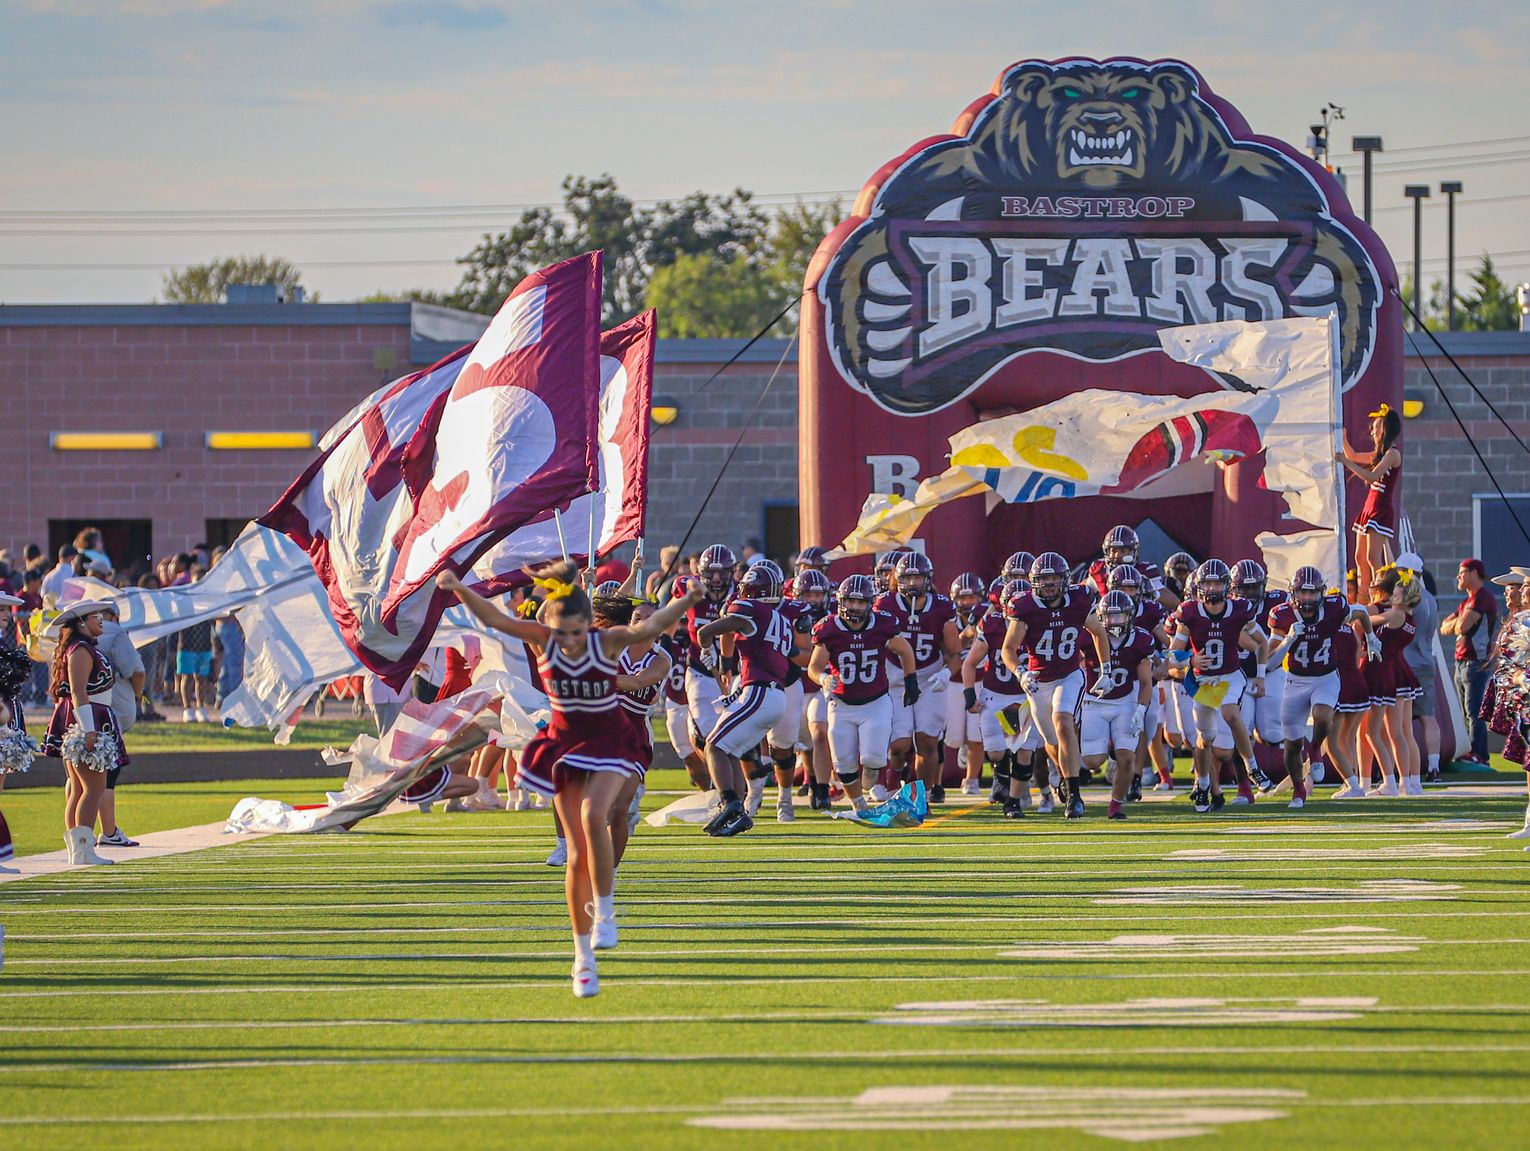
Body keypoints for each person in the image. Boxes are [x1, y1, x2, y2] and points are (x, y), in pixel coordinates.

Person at [437, 560, 700, 998]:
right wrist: (457, 588)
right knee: (576, 852)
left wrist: (686, 601)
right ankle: (582, 958)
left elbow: (649, 627)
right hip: (565, 745)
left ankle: (607, 913)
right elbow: (495, 619)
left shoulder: (605, 642)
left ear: (589, 626)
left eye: (578, 632)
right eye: (563, 634)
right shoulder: (544, 640)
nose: (571, 641)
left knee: (598, 814)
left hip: (611, 740)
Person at [1001, 552, 1110, 819]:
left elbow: (1098, 632)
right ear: (1034, 581)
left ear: (1065, 580)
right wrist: (1020, 673)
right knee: (1051, 741)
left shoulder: (1079, 600)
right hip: (1038, 682)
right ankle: (1064, 776)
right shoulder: (1025, 606)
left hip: (1069, 675)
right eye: (1044, 579)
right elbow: (1008, 649)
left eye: (1054, 578)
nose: (1049, 584)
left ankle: (1074, 796)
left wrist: (1106, 670)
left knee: (1063, 722)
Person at [808, 575, 918, 817]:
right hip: (841, 704)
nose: (855, 607)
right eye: (850, 601)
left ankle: (870, 774)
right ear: (840, 601)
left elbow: (904, 649)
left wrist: (911, 680)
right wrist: (823, 678)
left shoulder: (881, 624)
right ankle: (858, 805)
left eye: (860, 602)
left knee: (874, 758)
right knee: (843, 763)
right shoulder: (829, 628)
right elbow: (813, 667)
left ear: (870, 603)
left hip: (875, 701)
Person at [696, 562, 793, 835]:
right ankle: (737, 813)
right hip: (775, 694)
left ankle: (729, 803)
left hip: (758, 691)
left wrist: (707, 651)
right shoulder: (781, 619)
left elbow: (706, 632)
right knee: (731, 751)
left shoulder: (752, 609)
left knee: (713, 746)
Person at [1267, 567, 1376, 805]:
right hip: (1295, 680)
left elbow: (1360, 612)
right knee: (1293, 744)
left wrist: (1371, 636)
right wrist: (1287, 640)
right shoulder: (1282, 615)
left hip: (1326, 676)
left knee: (1323, 715)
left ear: (1321, 592)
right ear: (1293, 592)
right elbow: (1268, 662)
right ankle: (1299, 790)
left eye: (1313, 593)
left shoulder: (1333, 608)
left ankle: (1315, 749)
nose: (1307, 598)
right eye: (1303, 592)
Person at [1167, 559, 1267, 813]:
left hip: (1231, 675)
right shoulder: (1189, 612)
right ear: (1199, 586)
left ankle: (1253, 767)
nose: (1212, 588)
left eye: (1217, 583)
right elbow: (1172, 655)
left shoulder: (1239, 609)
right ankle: (1202, 784)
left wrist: (1261, 675)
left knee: (1231, 713)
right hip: (1203, 681)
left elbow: (1262, 642)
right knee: (1204, 739)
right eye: (1207, 583)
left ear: (1227, 586)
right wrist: (1191, 660)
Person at [41, 601, 124, 866]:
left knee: (78, 788)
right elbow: (78, 691)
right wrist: (88, 730)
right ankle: (84, 850)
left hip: (89, 715)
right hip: (88, 718)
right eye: (95, 616)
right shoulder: (80, 650)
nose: (101, 619)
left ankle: (78, 851)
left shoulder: (83, 647)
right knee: (93, 787)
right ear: (80, 622)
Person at [874, 551, 960, 803]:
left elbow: (954, 652)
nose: (912, 583)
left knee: (927, 741)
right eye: (907, 578)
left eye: (917, 578)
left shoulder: (941, 607)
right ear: (897, 579)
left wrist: (946, 673)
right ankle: (894, 774)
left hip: (929, 677)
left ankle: (921, 795)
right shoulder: (885, 604)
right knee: (899, 745)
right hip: (895, 677)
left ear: (928, 578)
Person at [1081, 591, 1155, 820]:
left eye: (1119, 616)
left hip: (1125, 702)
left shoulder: (1141, 640)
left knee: (1127, 758)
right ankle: (1111, 744)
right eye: (1109, 617)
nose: (1113, 622)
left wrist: (1141, 709)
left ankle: (1115, 806)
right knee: (1092, 762)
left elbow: (1146, 681)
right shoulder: (1088, 637)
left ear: (1130, 616)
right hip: (1093, 702)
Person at [1338, 403, 1402, 601]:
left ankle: (1381, 597)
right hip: (1369, 506)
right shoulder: (1379, 455)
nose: (1372, 432)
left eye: (1376, 428)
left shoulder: (1393, 454)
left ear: (1385, 430)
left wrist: (1346, 463)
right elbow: (1353, 455)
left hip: (1380, 508)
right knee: (1359, 557)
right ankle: (1363, 598)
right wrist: (1342, 438)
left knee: (1373, 557)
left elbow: (1372, 476)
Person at [95, 605, 145, 847]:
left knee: (79, 779)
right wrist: (138, 694)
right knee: (104, 777)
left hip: (79, 714)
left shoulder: (74, 639)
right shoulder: (114, 633)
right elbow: (137, 671)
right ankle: (107, 831)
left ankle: (78, 835)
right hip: (104, 714)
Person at [1441, 558, 1497, 766]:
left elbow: (1461, 628)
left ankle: (1480, 754)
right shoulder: (1467, 602)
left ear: (1474, 573)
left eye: (1462, 572)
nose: (1458, 576)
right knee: (1466, 711)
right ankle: (1470, 750)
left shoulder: (1483, 598)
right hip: (1462, 662)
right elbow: (1444, 627)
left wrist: (1458, 623)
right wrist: (1459, 622)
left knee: (1474, 710)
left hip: (1476, 662)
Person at [1394, 552, 1442, 781]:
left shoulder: (1409, 596)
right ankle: (1434, 766)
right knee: (1427, 716)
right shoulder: (1430, 598)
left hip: (1407, 662)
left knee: (1401, 720)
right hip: (1426, 661)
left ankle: (1402, 768)